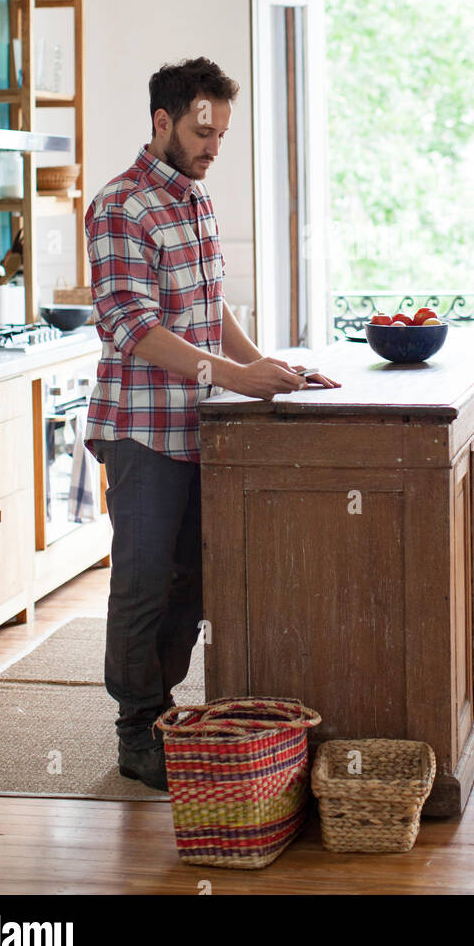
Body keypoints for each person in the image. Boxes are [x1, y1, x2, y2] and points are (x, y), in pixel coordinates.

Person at [83, 57, 340, 791]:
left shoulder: (192, 199)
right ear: (162, 122)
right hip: (141, 431)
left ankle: (160, 716)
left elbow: (207, 304)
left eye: (221, 134)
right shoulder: (119, 208)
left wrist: (271, 370)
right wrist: (237, 379)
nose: (212, 147)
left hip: (200, 430)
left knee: (194, 585)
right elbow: (135, 328)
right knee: (141, 584)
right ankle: (137, 732)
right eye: (203, 132)